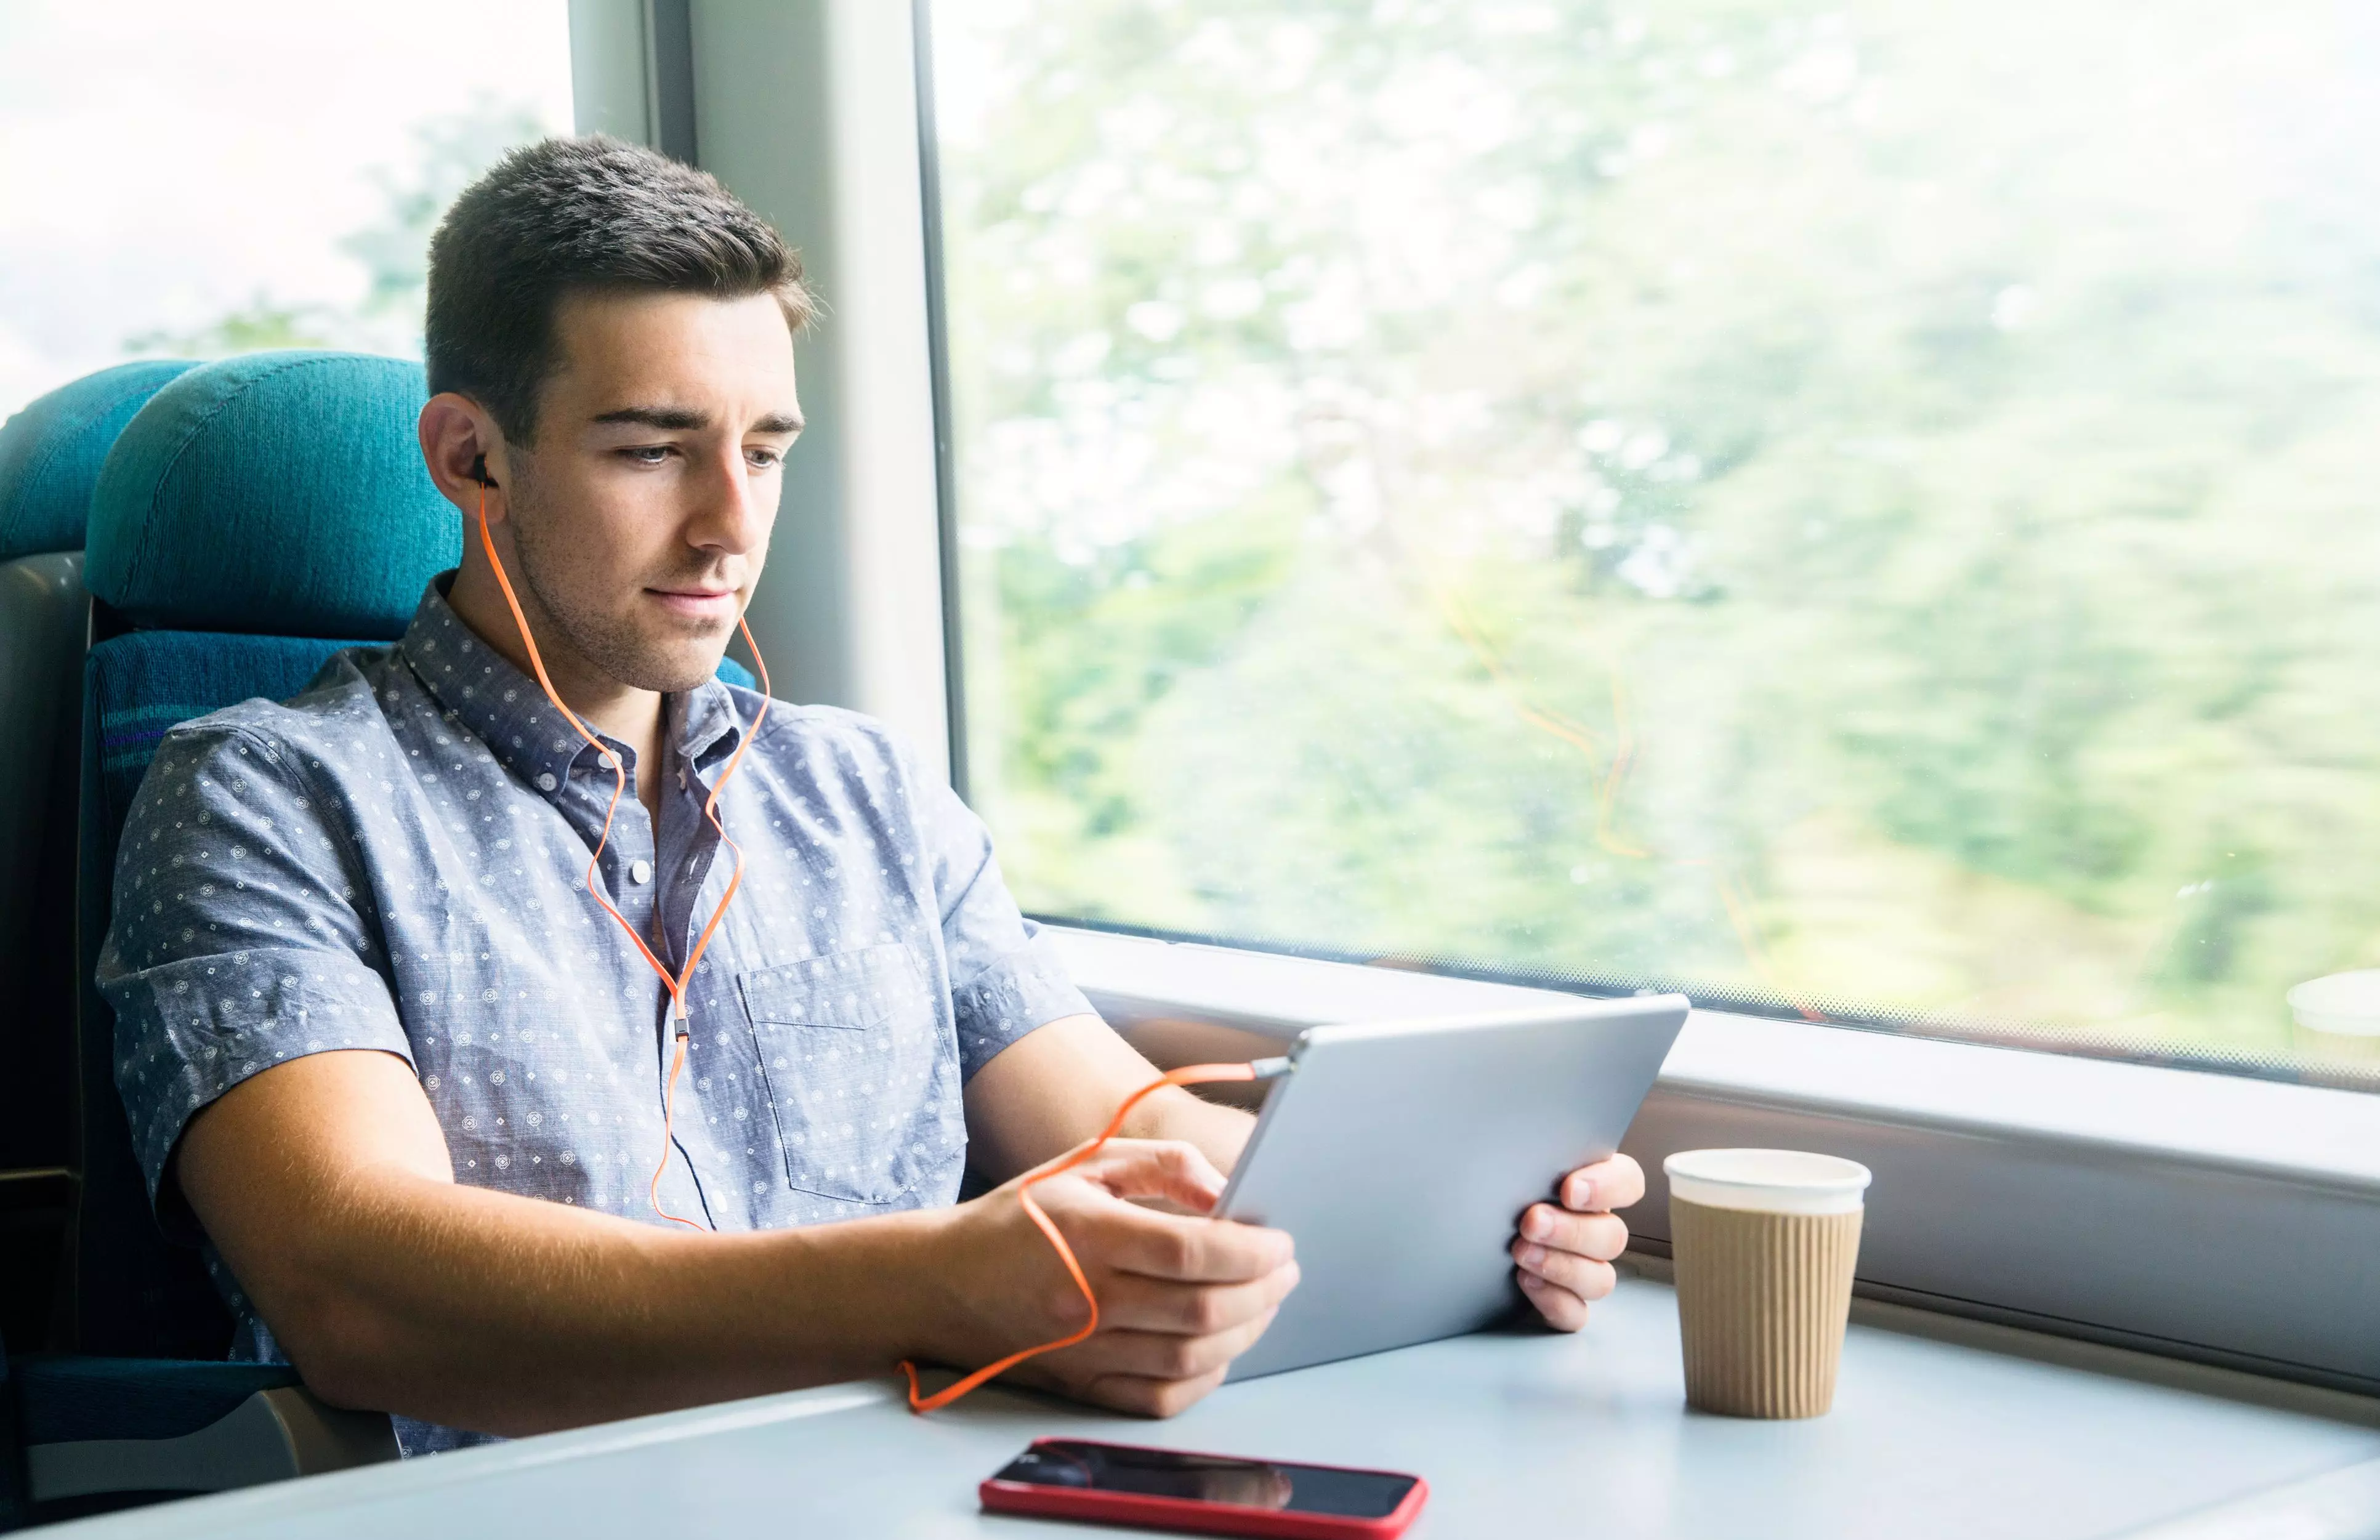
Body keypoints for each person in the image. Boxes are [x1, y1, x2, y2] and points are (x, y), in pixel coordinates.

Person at [97, 135, 1643, 1456]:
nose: (727, 525)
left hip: (919, 1509)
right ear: (471, 457)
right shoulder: (264, 795)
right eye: (652, 450)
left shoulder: (865, 793)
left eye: (764, 451)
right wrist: (941, 1284)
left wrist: (1458, 1219)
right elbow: (363, 1287)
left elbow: (1122, 1127)